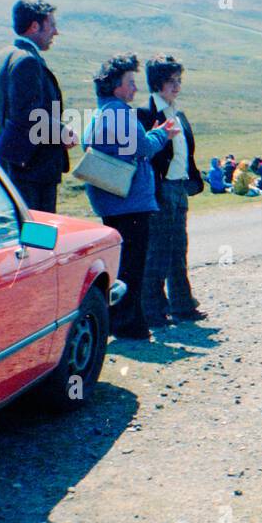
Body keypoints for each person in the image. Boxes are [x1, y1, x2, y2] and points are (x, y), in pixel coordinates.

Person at [83, 53, 180, 340]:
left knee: (121, 263)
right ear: (116, 87)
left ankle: (121, 320)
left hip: (112, 200)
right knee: (133, 265)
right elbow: (142, 149)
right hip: (130, 202)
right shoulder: (120, 113)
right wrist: (162, 135)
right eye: (130, 82)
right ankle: (129, 324)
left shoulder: (102, 113)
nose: (135, 89)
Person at [137, 54, 207, 328]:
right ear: (157, 83)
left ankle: (182, 305)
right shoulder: (144, 114)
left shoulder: (178, 114)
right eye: (170, 81)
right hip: (159, 188)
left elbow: (185, 152)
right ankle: (152, 310)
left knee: (179, 248)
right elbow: (145, 153)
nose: (176, 86)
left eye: (178, 81)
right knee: (159, 250)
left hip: (178, 186)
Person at [0, 0, 77, 212]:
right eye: (52, 25)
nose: (56, 32)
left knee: (23, 227)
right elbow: (29, 115)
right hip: (35, 168)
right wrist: (62, 132)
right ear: (35, 26)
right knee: (39, 235)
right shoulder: (27, 61)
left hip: (16, 163)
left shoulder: (1, 57)